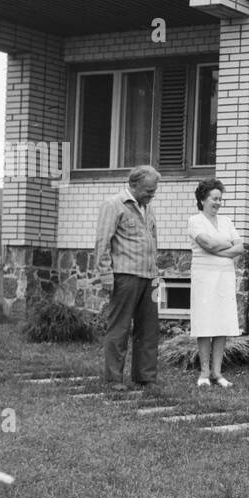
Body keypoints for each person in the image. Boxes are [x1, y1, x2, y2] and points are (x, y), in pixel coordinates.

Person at [95, 165, 161, 388]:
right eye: (148, 190)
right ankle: (114, 379)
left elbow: (153, 241)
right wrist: (105, 274)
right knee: (120, 329)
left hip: (149, 277)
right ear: (133, 185)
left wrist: (156, 272)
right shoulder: (113, 205)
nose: (152, 195)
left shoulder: (148, 207)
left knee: (149, 330)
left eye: (154, 191)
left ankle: (145, 377)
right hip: (125, 276)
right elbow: (102, 242)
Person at [188, 179, 246, 388]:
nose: (218, 203)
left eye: (220, 199)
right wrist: (227, 245)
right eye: (214, 198)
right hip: (204, 277)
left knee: (222, 323)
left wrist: (218, 249)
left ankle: (217, 372)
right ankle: (204, 372)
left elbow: (240, 248)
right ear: (203, 199)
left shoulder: (227, 221)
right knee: (205, 323)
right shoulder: (195, 221)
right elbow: (207, 243)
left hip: (224, 277)